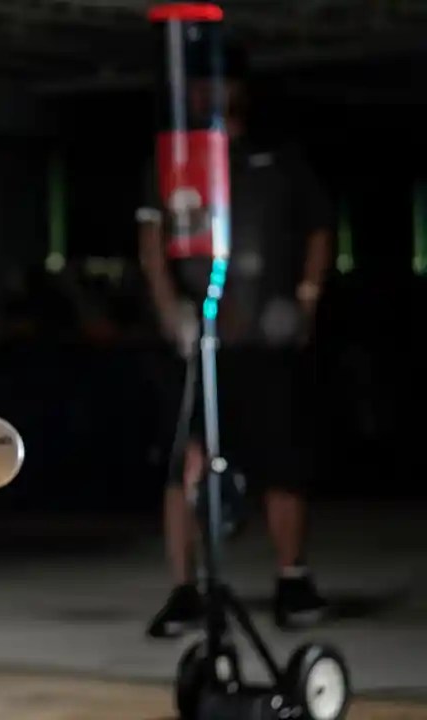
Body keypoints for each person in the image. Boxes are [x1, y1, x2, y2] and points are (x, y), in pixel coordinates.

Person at [137, 39, 333, 638]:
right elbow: (152, 241)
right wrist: (172, 309)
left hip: (264, 341)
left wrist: (304, 300)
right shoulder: (175, 159)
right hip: (200, 344)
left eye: (217, 83)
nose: (207, 94)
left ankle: (292, 578)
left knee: (282, 461)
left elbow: (320, 230)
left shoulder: (279, 157)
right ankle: (184, 590)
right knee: (184, 466)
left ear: (238, 88)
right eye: (198, 85)